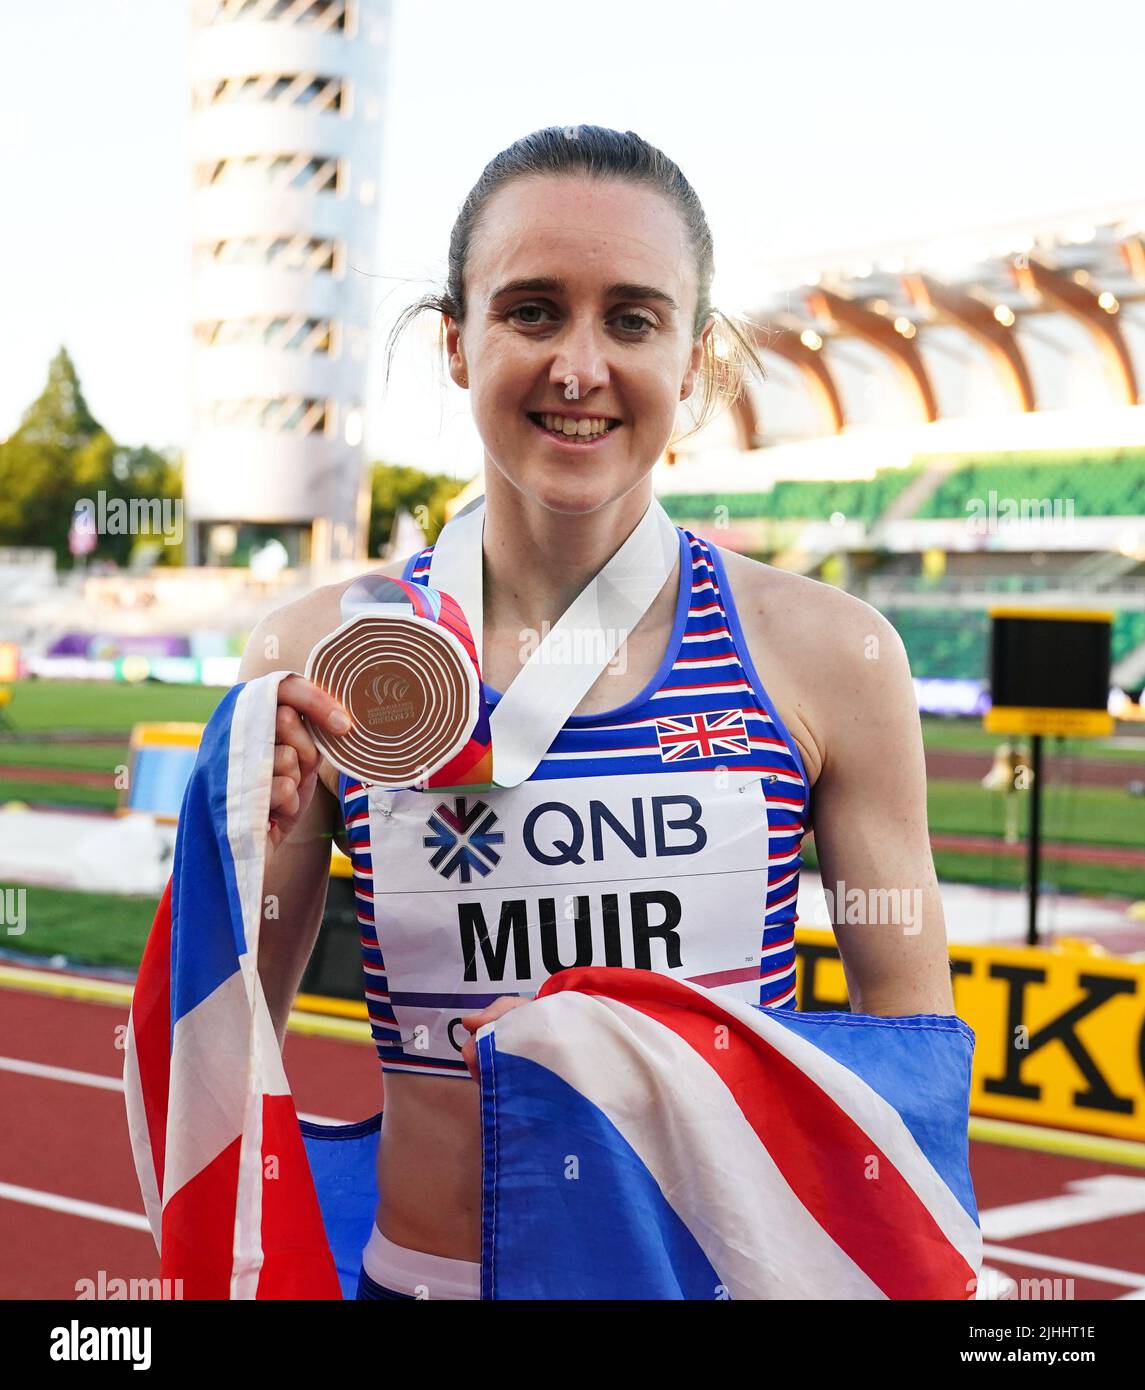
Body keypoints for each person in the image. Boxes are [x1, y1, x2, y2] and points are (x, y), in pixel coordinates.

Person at [237, 126, 956, 1300]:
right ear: (456, 344)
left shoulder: (831, 655)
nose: (578, 367)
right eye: (530, 311)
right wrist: (238, 845)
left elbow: (911, 1063)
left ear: (694, 361)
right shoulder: (325, 656)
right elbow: (222, 1033)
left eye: (630, 318)